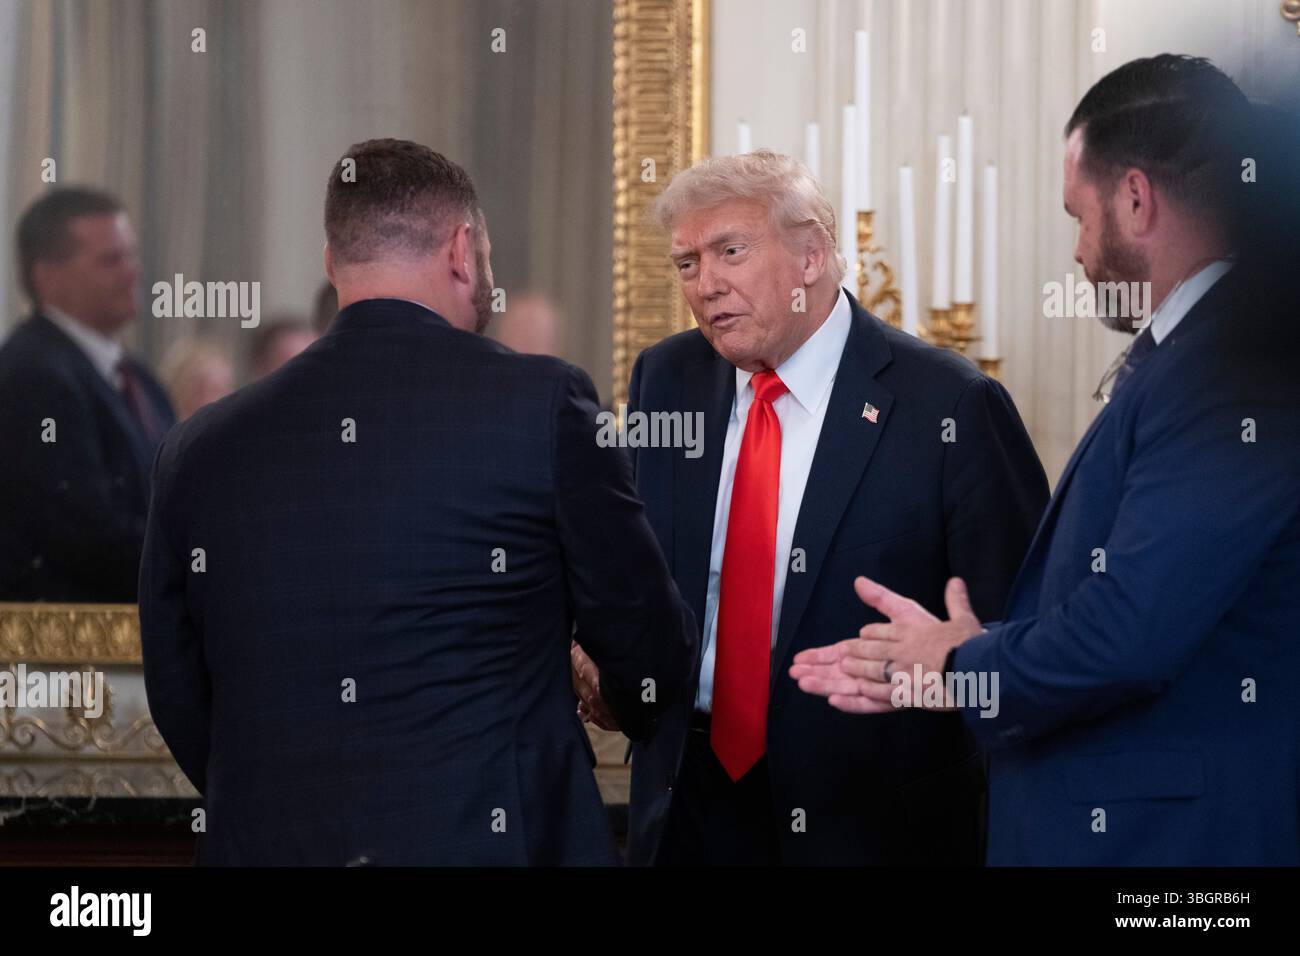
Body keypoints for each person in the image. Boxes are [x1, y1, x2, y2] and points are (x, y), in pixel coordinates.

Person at [791, 55, 1300, 865]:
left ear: (1135, 199)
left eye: (1078, 216)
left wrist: (961, 663)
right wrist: (975, 646)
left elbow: (1132, 632)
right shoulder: (1206, 352)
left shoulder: (1227, 368)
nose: (1076, 253)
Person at [139, 138, 696, 865]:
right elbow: (646, 644)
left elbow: (180, 691)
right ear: (464, 249)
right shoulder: (545, 405)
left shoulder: (197, 447)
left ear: (333, 262)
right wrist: (628, 700)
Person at [574, 149, 1048, 865]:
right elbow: (640, 573)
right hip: (688, 802)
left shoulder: (950, 405)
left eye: (730, 251)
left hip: (871, 819)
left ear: (811, 258)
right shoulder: (665, 378)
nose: (706, 285)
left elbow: (1021, 632)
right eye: (687, 264)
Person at [0, 187, 175, 601]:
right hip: (72, 651)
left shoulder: (141, 381)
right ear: (48, 275)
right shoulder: (34, 377)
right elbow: (81, 533)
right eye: (111, 260)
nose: (133, 272)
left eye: (131, 254)